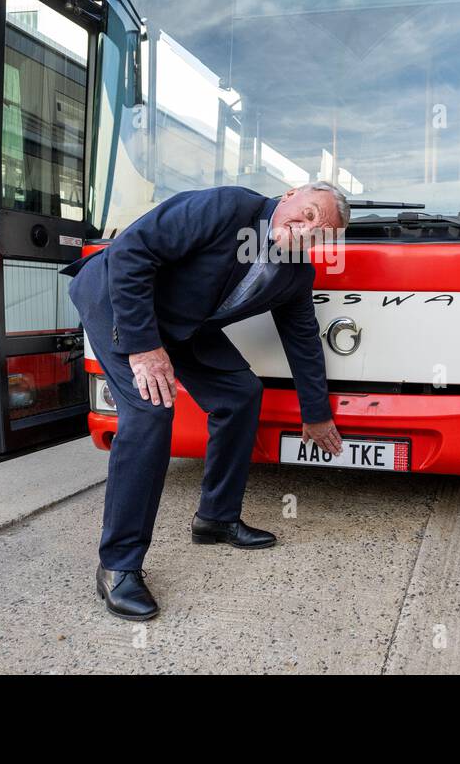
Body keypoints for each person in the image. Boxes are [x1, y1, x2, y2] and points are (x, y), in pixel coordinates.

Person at [65, 182, 348, 620]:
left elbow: (303, 339)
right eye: (310, 213)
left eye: (320, 232)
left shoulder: (296, 273)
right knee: (150, 412)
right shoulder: (227, 207)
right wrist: (143, 347)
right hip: (119, 300)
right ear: (293, 193)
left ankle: (216, 519)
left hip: (180, 323)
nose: (308, 228)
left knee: (241, 393)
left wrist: (316, 414)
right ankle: (118, 566)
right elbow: (131, 252)